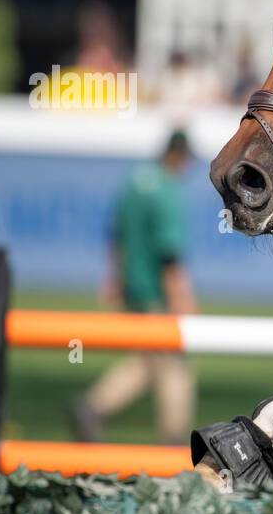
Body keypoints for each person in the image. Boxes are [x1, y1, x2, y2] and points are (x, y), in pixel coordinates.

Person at [72, 130, 197, 443]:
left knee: (147, 363)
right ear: (178, 157)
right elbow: (169, 254)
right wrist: (182, 297)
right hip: (156, 292)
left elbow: (115, 234)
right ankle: (173, 442)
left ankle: (92, 407)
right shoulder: (167, 191)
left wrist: (115, 277)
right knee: (173, 367)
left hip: (133, 287)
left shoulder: (133, 183)